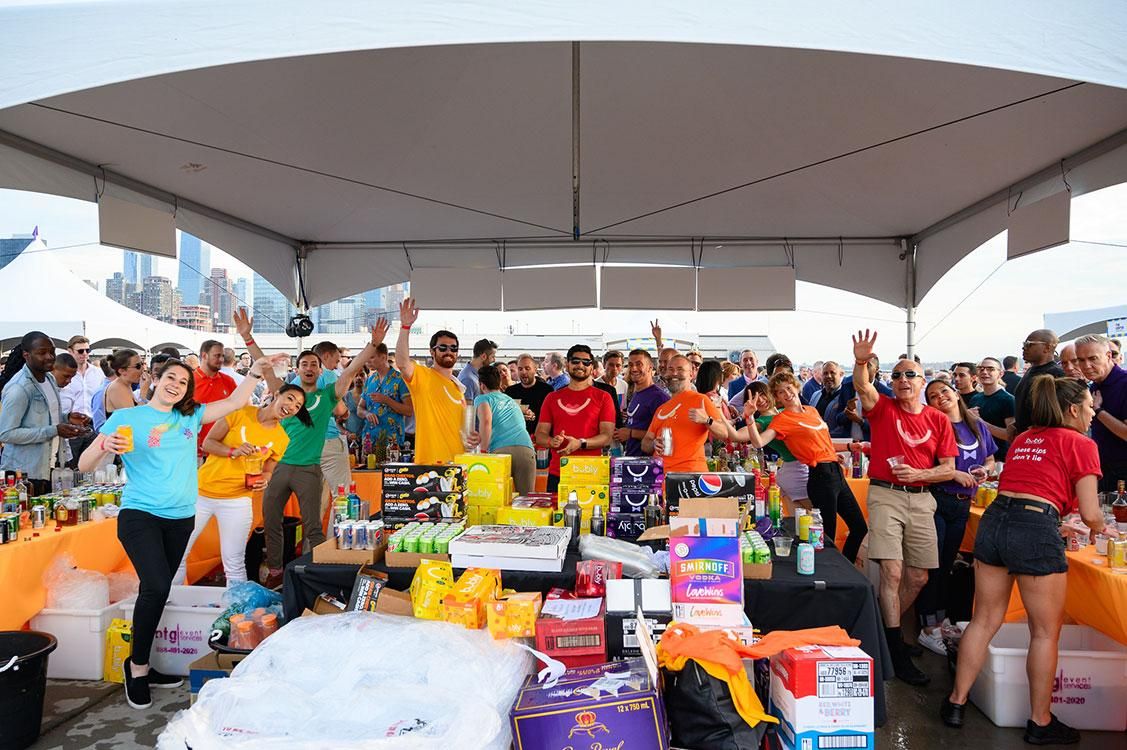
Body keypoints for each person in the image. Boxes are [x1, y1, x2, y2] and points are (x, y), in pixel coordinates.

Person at [78, 352, 284, 709]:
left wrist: (255, 371)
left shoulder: (190, 416)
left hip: (180, 517)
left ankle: (148, 661)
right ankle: (138, 666)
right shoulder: (129, 417)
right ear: (156, 379)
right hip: (140, 515)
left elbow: (236, 401)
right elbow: (83, 464)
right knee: (157, 586)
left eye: (183, 382)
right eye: (170, 378)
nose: (176, 385)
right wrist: (103, 449)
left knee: (159, 589)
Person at [942, 376, 1119, 744]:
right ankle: (1040, 720)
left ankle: (955, 703)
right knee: (1044, 632)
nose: (1091, 413)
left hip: (996, 522)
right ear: (1072, 409)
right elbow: (1091, 513)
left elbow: (1032, 485)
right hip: (1034, 528)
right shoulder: (1082, 443)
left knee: (984, 619)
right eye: (1088, 406)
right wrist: (1109, 530)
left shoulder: (1025, 438)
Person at [852, 330, 956, 686]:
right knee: (893, 574)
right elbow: (864, 388)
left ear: (923, 381)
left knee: (918, 577)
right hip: (886, 495)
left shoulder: (938, 420)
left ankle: (883, 632)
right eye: (896, 375)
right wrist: (862, 361)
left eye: (909, 374)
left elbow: (948, 467)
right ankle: (895, 649)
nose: (901, 379)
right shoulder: (882, 408)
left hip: (923, 498)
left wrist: (921, 473)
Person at [253, 322, 386, 587]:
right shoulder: (285, 392)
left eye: (314, 364)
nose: (310, 368)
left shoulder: (327, 395)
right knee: (272, 520)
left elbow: (350, 371)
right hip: (281, 465)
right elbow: (264, 368)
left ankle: (312, 568)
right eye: (305, 364)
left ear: (320, 368)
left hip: (308, 468)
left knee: (315, 522)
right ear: (298, 369)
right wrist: (246, 336)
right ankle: (277, 571)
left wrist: (372, 343)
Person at [174, 384, 310, 586]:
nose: (292, 406)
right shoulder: (240, 412)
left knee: (234, 562)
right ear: (277, 394)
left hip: (238, 499)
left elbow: (268, 470)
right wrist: (232, 451)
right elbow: (208, 443)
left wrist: (265, 479)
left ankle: (235, 611)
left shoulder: (281, 438)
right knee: (177, 551)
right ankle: (170, 602)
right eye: (290, 398)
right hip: (202, 493)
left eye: (297, 406)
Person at [738, 371, 868, 564]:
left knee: (859, 528)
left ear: (796, 387)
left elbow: (823, 441)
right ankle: (827, 575)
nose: (787, 393)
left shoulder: (812, 411)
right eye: (781, 392)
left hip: (836, 472)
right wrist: (749, 419)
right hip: (820, 476)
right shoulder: (781, 420)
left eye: (789, 388)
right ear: (778, 398)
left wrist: (849, 447)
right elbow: (758, 442)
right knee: (826, 536)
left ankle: (844, 567)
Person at [916, 379, 997, 656]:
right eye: (933, 396)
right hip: (937, 500)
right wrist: (952, 474)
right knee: (932, 564)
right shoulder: (933, 427)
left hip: (963, 505)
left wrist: (985, 470)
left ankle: (940, 619)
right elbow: (925, 465)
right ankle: (928, 626)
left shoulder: (976, 424)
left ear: (956, 393)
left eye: (944, 392)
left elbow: (989, 458)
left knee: (947, 564)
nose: (941, 398)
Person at [0, 333, 84, 487]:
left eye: (52, 351)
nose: (49, 357)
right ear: (27, 355)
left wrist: (68, 418)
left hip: (50, 469)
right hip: (25, 475)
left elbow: (46, 417)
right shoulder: (19, 388)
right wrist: (54, 430)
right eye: (42, 353)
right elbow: (6, 433)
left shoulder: (49, 379)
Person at [535, 344, 616, 492]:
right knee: (556, 514)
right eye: (575, 361)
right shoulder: (552, 398)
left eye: (586, 362)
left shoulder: (604, 397)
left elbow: (607, 436)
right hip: (558, 472)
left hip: (591, 472)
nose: (580, 365)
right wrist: (551, 441)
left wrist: (581, 443)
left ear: (592, 367)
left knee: (592, 515)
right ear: (567, 364)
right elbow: (540, 435)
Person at [394, 298, 466, 464]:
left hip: (458, 465)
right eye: (443, 347)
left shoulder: (458, 388)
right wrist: (405, 327)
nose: (449, 351)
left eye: (453, 348)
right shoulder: (423, 376)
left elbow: (461, 431)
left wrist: (472, 438)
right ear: (432, 352)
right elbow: (403, 363)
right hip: (431, 465)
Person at [641, 355, 727, 471]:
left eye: (680, 369)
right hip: (661, 477)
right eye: (670, 369)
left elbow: (723, 433)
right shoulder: (662, 409)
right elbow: (645, 443)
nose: (674, 373)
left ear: (691, 375)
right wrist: (654, 444)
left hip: (689, 477)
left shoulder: (700, 400)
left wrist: (707, 420)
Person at [742, 380, 811, 511]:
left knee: (797, 519)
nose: (760, 400)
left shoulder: (784, 412)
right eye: (755, 399)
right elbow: (740, 436)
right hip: (796, 472)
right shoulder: (763, 421)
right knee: (816, 516)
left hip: (790, 471)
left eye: (762, 394)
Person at [471, 364, 536, 494]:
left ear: (482, 385)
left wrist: (483, 451)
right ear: (499, 382)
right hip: (526, 449)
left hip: (500, 450)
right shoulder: (511, 400)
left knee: (497, 498)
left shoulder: (482, 398)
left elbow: (486, 421)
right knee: (527, 499)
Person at [1075, 334, 1127, 491]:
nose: (1086, 365)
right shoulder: (1094, 385)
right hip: (1102, 468)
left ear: (1108, 356)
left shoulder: (1124, 383)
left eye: (1093, 358)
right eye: (1081, 360)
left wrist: (1098, 410)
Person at [824, 356, 893, 440]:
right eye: (859, 366)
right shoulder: (847, 386)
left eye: (868, 366)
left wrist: (860, 421)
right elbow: (838, 420)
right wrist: (847, 412)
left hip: (872, 447)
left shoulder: (886, 393)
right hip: (849, 446)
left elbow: (885, 427)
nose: (862, 369)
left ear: (876, 369)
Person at [616, 349, 670, 457]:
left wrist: (631, 433)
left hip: (648, 465)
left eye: (639, 364)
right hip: (632, 460)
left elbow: (665, 435)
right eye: (630, 365)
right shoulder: (637, 393)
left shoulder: (659, 398)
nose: (634, 368)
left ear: (650, 367)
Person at [59, 335, 105, 462]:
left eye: (87, 350)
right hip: (70, 425)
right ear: (70, 351)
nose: (84, 354)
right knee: (70, 465)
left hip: (92, 425)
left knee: (91, 466)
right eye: (80, 351)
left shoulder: (98, 373)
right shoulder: (64, 374)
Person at [358, 343, 412, 448]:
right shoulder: (370, 380)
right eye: (366, 357)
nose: (368, 361)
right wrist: (366, 414)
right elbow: (360, 408)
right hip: (369, 438)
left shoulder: (400, 379)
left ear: (384, 357)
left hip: (392, 440)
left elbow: (409, 410)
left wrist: (387, 400)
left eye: (372, 357)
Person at [1012, 330, 1064, 437]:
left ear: (1047, 348)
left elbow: (1062, 413)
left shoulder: (1056, 374)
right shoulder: (1030, 371)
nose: (1024, 348)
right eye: (1024, 344)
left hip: (1044, 442)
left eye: (1029, 344)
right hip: (1027, 442)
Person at [193, 340, 238, 453]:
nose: (221, 360)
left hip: (222, 449)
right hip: (194, 450)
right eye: (217, 356)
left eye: (222, 356)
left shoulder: (228, 381)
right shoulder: (188, 380)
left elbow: (239, 409)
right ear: (204, 355)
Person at [968, 358, 1015, 466]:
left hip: (1001, 459)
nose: (985, 372)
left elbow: (1010, 435)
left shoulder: (1008, 400)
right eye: (981, 369)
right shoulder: (975, 398)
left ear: (1000, 373)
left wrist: (980, 422)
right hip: (980, 456)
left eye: (990, 369)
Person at [506, 353, 554, 435]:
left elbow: (552, 417)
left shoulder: (547, 390)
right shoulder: (510, 391)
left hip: (540, 437)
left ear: (535, 369)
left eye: (527, 368)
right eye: (520, 369)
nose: (523, 372)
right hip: (517, 436)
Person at [104, 349, 144, 418]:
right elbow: (134, 418)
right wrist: (144, 392)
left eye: (142, 364)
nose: (143, 369)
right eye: (138, 366)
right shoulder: (117, 388)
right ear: (122, 371)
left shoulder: (126, 385)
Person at [458, 338, 497, 402]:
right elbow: (468, 409)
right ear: (483, 356)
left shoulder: (475, 375)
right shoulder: (468, 379)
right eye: (492, 357)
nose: (494, 360)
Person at [727, 349, 761, 413]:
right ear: (740, 364)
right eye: (745, 360)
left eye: (751, 359)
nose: (748, 363)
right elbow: (731, 408)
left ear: (757, 362)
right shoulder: (733, 385)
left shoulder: (765, 382)